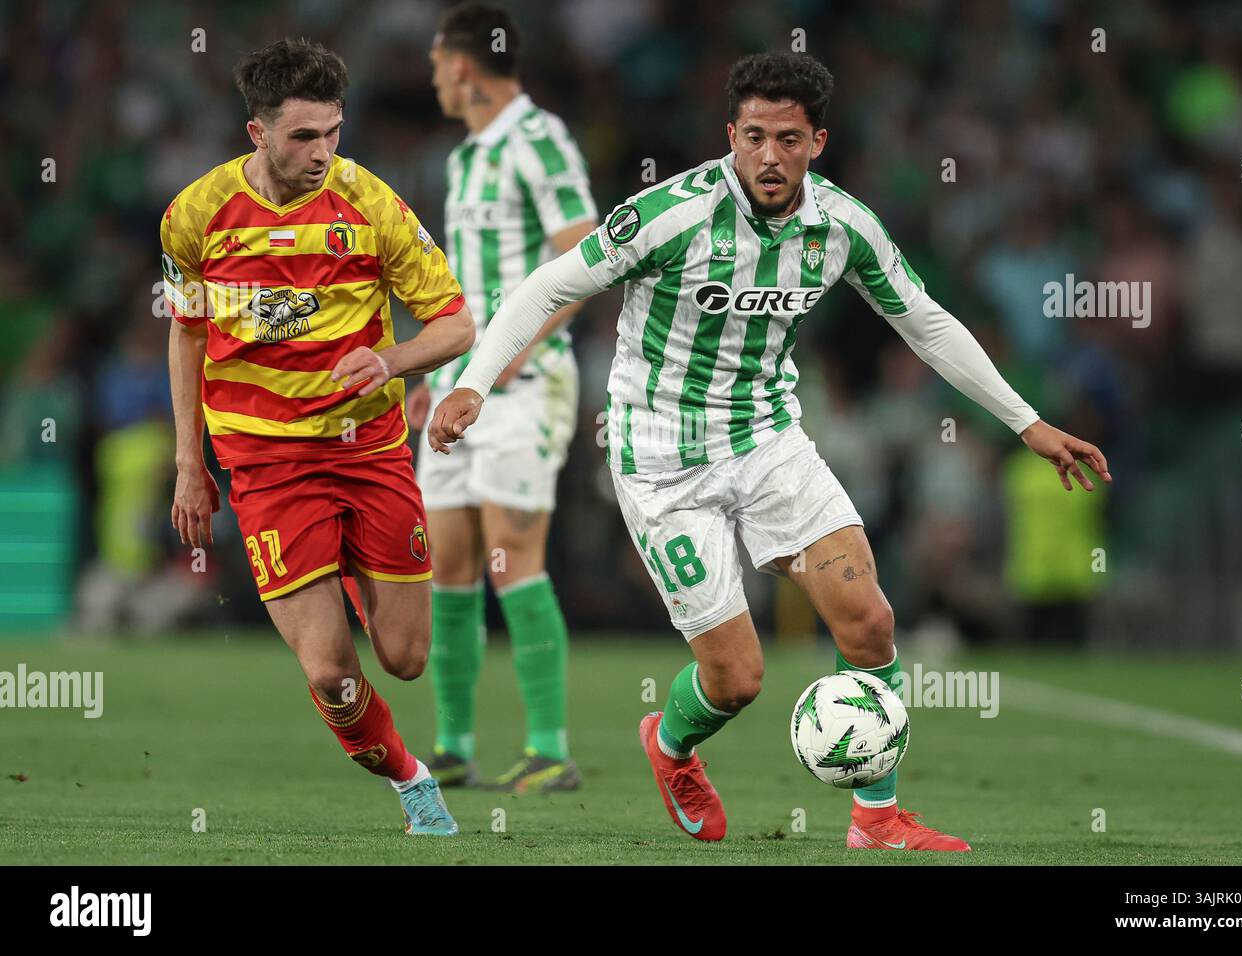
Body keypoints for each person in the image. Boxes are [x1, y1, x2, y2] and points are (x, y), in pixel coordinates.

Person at [428, 52, 1110, 850]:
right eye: (754, 137)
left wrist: (1027, 422)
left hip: (767, 439)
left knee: (870, 623)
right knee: (737, 678)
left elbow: (923, 321)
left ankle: (876, 819)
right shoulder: (671, 214)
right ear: (731, 135)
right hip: (660, 456)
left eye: (788, 139)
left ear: (817, 141)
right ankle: (671, 745)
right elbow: (549, 286)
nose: (770, 157)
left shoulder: (842, 226)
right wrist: (474, 382)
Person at [164, 37, 475, 835]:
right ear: (256, 134)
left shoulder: (372, 205)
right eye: (304, 136)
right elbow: (188, 335)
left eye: (334, 131)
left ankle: (343, 573)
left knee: (404, 660)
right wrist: (188, 465)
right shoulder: (194, 217)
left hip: (367, 452)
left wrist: (394, 359)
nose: (323, 152)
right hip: (265, 461)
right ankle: (412, 781)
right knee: (334, 676)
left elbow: (457, 321)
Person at [404, 3, 597, 792]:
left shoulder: (539, 137)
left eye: (434, 64)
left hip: (524, 385)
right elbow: (467, 289)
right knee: (447, 563)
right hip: (462, 388)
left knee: (512, 556)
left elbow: (585, 255)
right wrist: (438, 376)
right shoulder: (464, 158)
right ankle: (452, 744)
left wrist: (509, 359)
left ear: (459, 65)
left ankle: (550, 748)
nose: (432, 79)